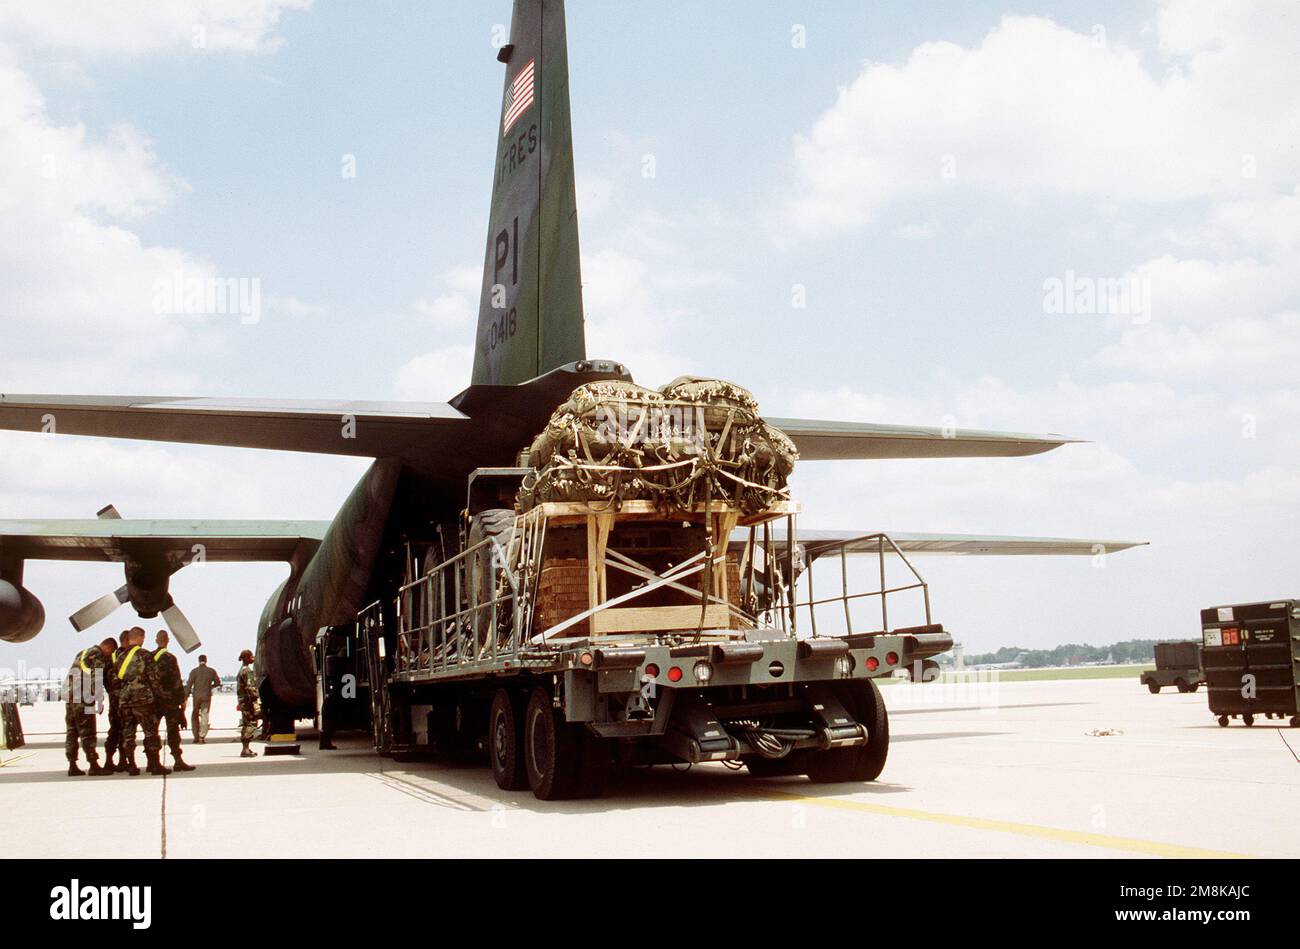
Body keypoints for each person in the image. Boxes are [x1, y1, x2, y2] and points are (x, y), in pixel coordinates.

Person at [117, 627, 169, 776]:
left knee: (128, 734)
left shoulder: (121, 656)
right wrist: (160, 698)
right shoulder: (145, 655)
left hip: (125, 700)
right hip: (143, 700)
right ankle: (154, 764)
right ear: (140, 638)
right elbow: (153, 678)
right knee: (151, 733)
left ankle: (131, 765)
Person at [63, 637, 116, 776]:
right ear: (108, 648)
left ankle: (72, 765)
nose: (109, 656)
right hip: (83, 698)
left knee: (72, 731)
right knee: (88, 732)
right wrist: (99, 701)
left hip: (70, 696)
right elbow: (96, 679)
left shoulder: (83, 652)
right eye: (110, 653)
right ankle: (93, 765)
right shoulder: (98, 656)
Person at [152, 630, 195, 771]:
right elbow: (176, 681)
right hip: (169, 702)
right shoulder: (169, 658)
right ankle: (177, 760)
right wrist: (181, 701)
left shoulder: (149, 657)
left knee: (152, 731)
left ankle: (152, 762)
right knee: (173, 732)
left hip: (154, 702)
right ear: (167, 640)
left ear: (156, 640)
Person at [102, 631, 128, 772]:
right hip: (125, 701)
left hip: (113, 700)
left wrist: (111, 691)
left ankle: (108, 761)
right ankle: (123, 761)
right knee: (126, 730)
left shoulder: (109, 657)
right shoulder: (129, 656)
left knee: (113, 730)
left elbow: (103, 678)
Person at [184, 654, 221, 743]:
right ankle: (202, 736)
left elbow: (189, 685)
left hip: (196, 696)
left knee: (194, 716)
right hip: (206, 696)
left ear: (198, 660)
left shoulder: (194, 671)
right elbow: (217, 682)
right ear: (206, 660)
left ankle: (196, 736)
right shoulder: (211, 671)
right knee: (205, 715)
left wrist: (185, 697)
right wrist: (210, 686)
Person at [236, 649, 260, 758]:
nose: (253, 658)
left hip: (243, 701)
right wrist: (256, 698)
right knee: (251, 723)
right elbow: (250, 688)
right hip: (248, 702)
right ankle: (245, 749)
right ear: (246, 658)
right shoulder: (247, 671)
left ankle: (246, 748)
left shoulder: (242, 670)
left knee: (246, 723)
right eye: (251, 657)